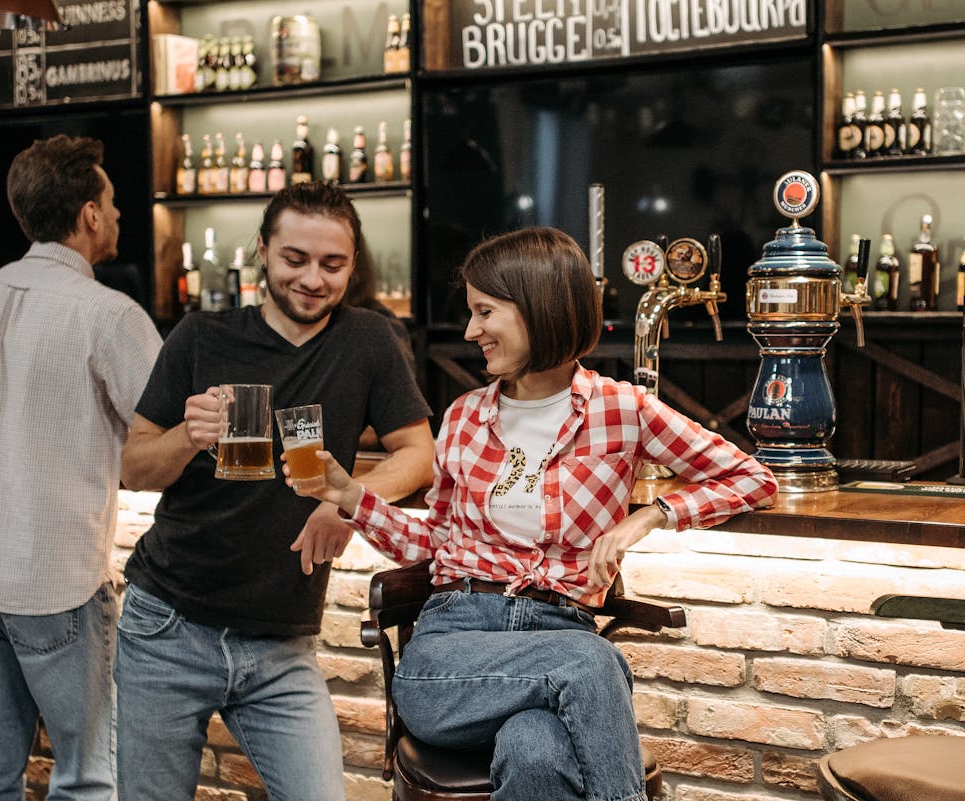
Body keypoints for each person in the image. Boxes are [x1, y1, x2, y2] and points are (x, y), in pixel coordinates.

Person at [284, 226, 778, 801]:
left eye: (485, 311)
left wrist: (649, 516)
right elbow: (434, 546)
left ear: (538, 308)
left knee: (535, 749)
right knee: (592, 665)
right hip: (449, 654)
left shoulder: (623, 409)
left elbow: (752, 478)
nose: (471, 332)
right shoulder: (465, 416)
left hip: (558, 633)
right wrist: (351, 497)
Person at [115, 181, 435, 801]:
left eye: (332, 264)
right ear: (262, 250)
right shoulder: (200, 337)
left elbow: (418, 454)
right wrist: (186, 435)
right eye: (295, 259)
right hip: (167, 628)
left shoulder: (368, 340)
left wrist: (349, 501)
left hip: (281, 645)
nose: (313, 278)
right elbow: (134, 468)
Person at [0, 134, 162, 801]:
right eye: (112, 201)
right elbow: (157, 442)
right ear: (89, 216)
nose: (119, 214)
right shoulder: (110, 314)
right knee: (87, 777)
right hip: (55, 579)